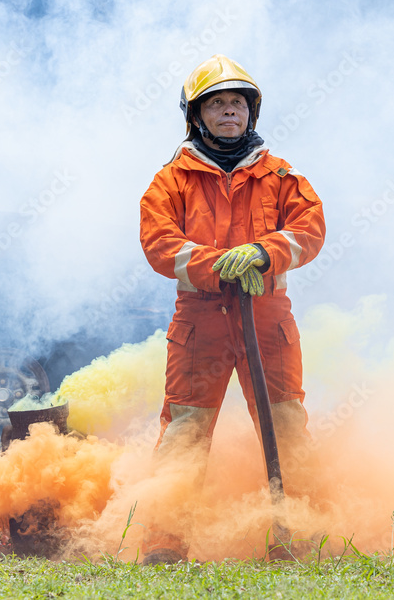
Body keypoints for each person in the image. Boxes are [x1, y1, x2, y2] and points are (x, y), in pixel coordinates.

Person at [138, 54, 326, 564]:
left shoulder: (282, 174)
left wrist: (266, 252)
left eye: (237, 104)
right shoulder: (170, 181)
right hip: (200, 324)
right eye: (217, 104)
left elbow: (311, 228)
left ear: (252, 113)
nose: (229, 112)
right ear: (196, 117)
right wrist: (218, 265)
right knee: (185, 431)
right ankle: (163, 544)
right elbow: (160, 246)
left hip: (268, 322)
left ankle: (297, 537)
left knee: (286, 425)